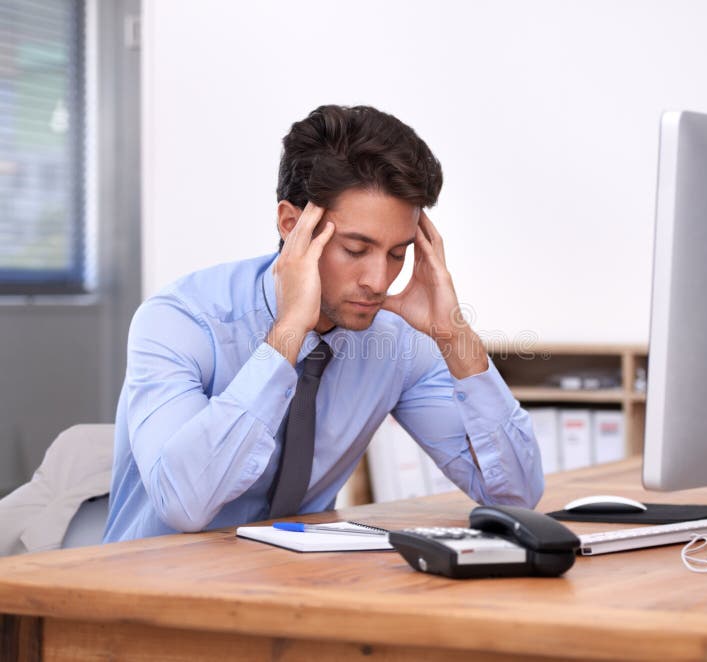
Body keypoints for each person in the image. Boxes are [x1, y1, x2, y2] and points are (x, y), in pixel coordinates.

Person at [104, 104, 543, 543]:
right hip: (147, 587)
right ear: (293, 225)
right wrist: (289, 333)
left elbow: (515, 498)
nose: (378, 280)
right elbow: (184, 505)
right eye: (355, 250)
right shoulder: (181, 321)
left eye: (397, 254)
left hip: (297, 588)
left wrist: (454, 335)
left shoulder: (394, 343)